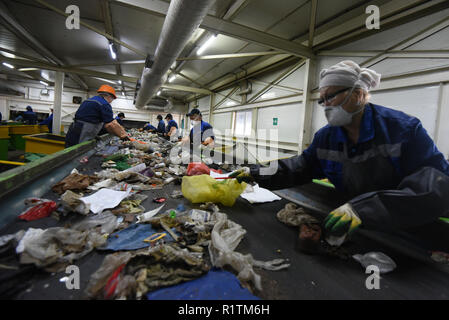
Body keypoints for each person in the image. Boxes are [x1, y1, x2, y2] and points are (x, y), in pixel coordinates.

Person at [231, 60, 449, 245]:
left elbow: (435, 186)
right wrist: (258, 172)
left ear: (358, 94)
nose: (325, 105)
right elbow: (302, 166)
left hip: (408, 230)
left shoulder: (403, 129)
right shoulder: (327, 137)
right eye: (322, 100)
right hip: (354, 223)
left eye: (330, 97)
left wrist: (366, 209)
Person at [65, 84, 130, 147]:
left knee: (70, 148)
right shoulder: (104, 104)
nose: (111, 101)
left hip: (74, 128)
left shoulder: (89, 100)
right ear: (109, 96)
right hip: (84, 130)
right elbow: (111, 124)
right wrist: (123, 136)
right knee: (79, 150)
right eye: (112, 99)